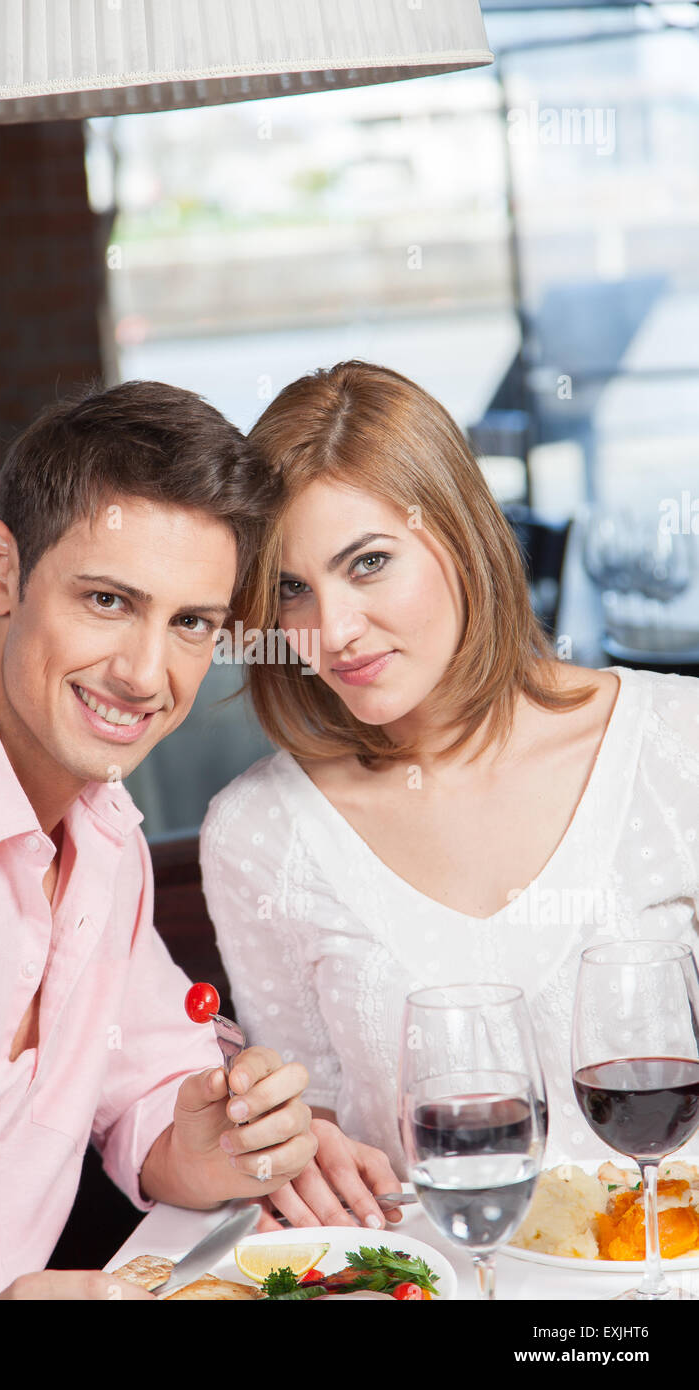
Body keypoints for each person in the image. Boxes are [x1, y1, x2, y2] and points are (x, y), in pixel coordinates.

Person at [0, 380, 316, 1301]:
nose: (144, 673)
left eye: (190, 624)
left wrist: (211, 1144)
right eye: (107, 600)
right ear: (1, 572)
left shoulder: (105, 839)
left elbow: (149, 1100)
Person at [200, 359, 699, 1230]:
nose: (335, 631)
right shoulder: (258, 833)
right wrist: (293, 1146)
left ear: (463, 536)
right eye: (292, 589)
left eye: (370, 562)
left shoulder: (675, 743)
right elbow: (303, 1122)